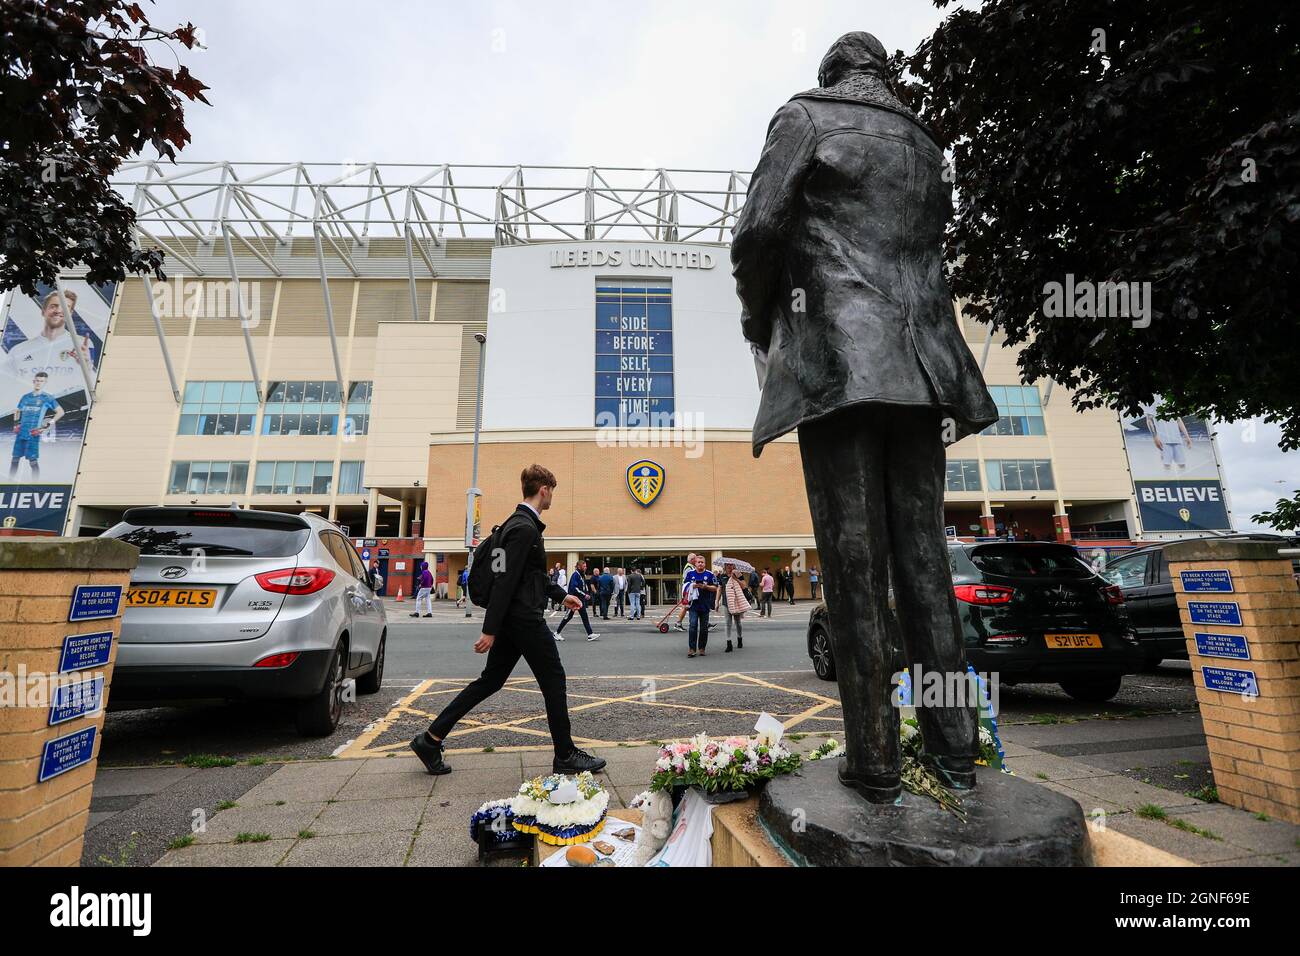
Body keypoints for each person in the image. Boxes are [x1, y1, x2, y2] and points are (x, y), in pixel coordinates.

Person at [732, 31, 997, 799]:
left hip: (843, 365)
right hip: (925, 370)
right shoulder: (925, 144)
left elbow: (756, 232)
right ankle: (956, 755)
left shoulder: (806, 117)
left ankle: (876, 763)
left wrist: (764, 319)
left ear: (833, 74)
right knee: (925, 568)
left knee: (856, 569)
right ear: (882, 76)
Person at [410, 465, 606, 776]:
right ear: (543, 490)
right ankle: (565, 755)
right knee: (554, 681)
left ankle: (430, 740)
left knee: (490, 681)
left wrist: (559, 594)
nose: (552, 495)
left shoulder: (518, 524)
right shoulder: (524, 528)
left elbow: (530, 576)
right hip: (524, 619)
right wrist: (489, 629)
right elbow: (505, 580)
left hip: (514, 618)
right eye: (551, 490)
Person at [9, 371, 63, 479]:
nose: (38, 383)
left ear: (45, 382)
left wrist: (47, 426)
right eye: (37, 380)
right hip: (21, 433)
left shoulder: (47, 398)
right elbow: (17, 411)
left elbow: (61, 412)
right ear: (34, 381)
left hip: (33, 433)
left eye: (41, 381)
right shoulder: (25, 397)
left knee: (32, 462)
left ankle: (35, 483)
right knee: (15, 459)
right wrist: (15, 425)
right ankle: (8, 482)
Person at [682, 554, 718, 658]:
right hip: (693, 605)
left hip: (705, 605)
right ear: (695, 563)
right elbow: (685, 587)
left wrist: (705, 586)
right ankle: (692, 649)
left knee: (704, 628)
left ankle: (702, 648)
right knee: (692, 626)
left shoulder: (710, 574)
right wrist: (692, 585)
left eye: (702, 562)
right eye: (698, 562)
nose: (700, 564)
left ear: (705, 564)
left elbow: (715, 588)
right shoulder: (690, 574)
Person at [556, 558, 600, 642]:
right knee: (568, 616)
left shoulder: (580, 574)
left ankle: (590, 634)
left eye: (586, 566)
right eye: (584, 566)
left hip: (578, 599)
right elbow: (574, 588)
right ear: (579, 567)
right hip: (574, 600)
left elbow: (582, 586)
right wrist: (584, 595)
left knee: (583, 616)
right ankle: (557, 632)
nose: (586, 567)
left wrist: (584, 594)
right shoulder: (575, 575)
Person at [721, 563, 751, 653]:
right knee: (727, 623)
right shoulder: (722, 576)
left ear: (734, 566)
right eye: (728, 565)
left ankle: (739, 638)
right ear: (725, 567)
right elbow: (719, 588)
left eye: (731, 565)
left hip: (736, 602)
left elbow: (744, 586)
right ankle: (729, 643)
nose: (729, 567)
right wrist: (716, 601)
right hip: (726, 602)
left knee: (738, 622)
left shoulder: (738, 574)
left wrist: (736, 579)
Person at [672, 553, 697, 631]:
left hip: (689, 589)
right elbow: (688, 579)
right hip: (688, 589)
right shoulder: (689, 567)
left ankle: (678, 623)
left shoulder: (690, 566)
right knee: (685, 606)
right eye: (695, 559)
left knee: (687, 606)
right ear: (692, 560)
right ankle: (678, 623)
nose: (696, 560)